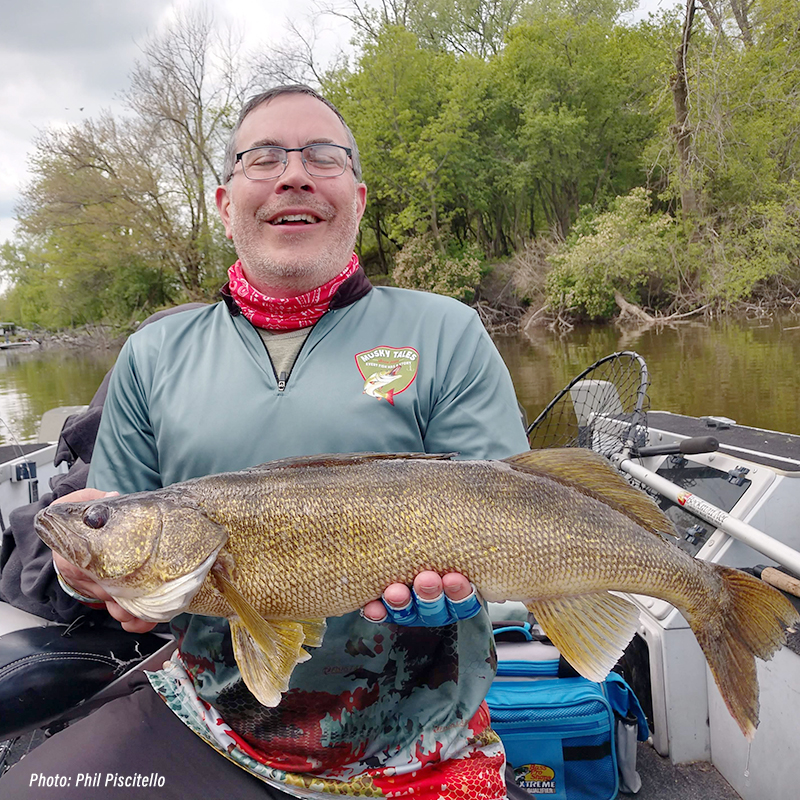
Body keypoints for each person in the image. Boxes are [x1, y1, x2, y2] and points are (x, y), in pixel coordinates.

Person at [1, 85, 529, 799]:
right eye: (263, 157)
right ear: (224, 204)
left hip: (421, 744)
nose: (293, 173)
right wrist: (85, 577)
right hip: (204, 722)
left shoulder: (448, 332)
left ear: (360, 198)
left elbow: (517, 522)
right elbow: (115, 530)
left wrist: (471, 595)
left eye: (322, 156)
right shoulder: (153, 353)